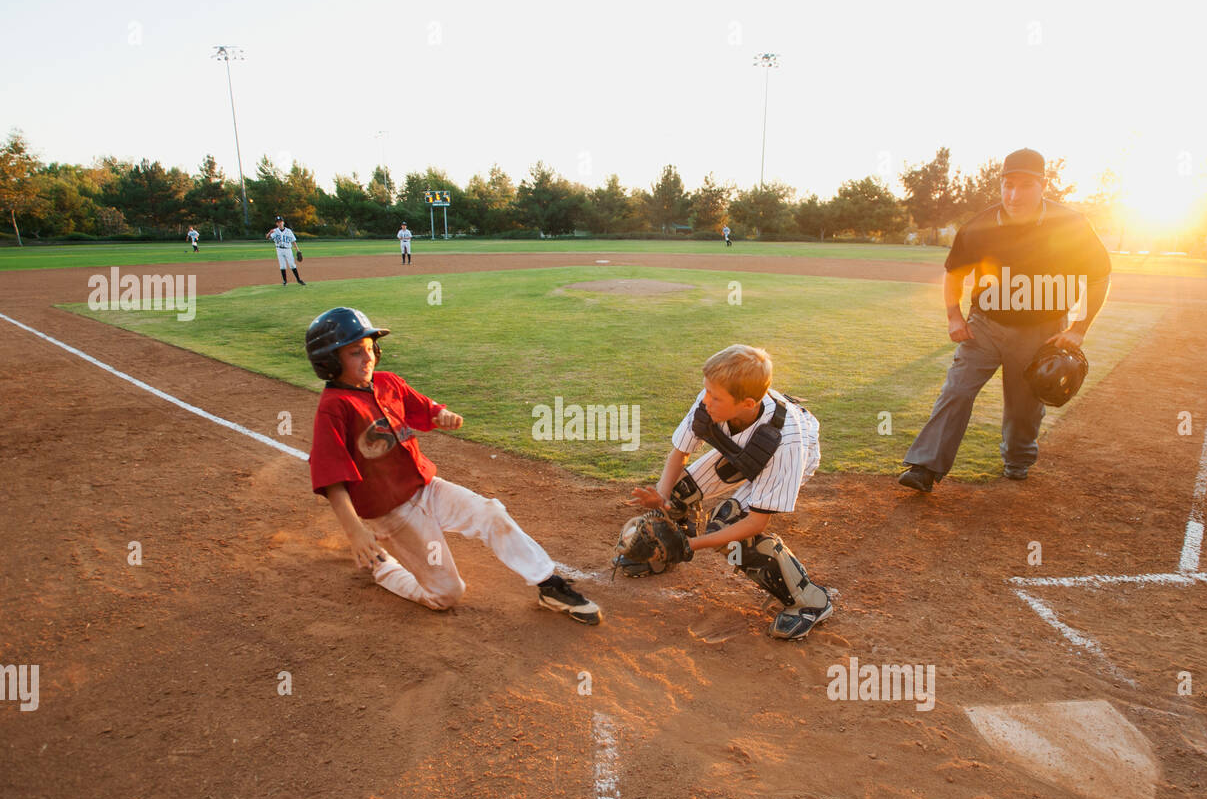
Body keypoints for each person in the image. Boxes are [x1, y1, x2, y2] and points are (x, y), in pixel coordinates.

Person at [306, 307, 601, 625]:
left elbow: (424, 407)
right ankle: (383, 567)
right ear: (330, 362)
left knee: (491, 512)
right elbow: (332, 477)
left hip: (427, 489)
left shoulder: (388, 383)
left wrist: (440, 415)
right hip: (391, 514)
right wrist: (356, 533)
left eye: (370, 349)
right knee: (447, 595)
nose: (368, 358)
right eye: (355, 352)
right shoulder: (334, 408)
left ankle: (549, 586)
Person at [898, 148, 1111, 492]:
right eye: (1008, 185)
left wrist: (1079, 328)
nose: (1014, 195)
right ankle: (925, 467)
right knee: (957, 390)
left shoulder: (1070, 224)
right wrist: (954, 316)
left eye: (1025, 185)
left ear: (1043, 184)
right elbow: (954, 273)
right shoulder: (980, 225)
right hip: (985, 325)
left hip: (1042, 331)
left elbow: (1100, 276)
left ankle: (1018, 460)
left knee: (1024, 407)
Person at [617, 344, 833, 641]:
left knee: (731, 527)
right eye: (706, 391)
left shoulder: (788, 443)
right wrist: (662, 501)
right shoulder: (715, 396)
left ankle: (809, 601)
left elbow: (757, 523)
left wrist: (693, 544)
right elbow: (679, 454)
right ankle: (665, 553)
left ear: (745, 403)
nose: (705, 400)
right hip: (747, 447)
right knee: (682, 492)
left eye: (714, 397)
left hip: (792, 451)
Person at [266, 216, 305, 286]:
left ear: (283, 222)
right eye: (278, 222)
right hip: (279, 249)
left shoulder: (289, 231)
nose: (280, 223)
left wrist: (298, 250)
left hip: (288, 250)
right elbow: (267, 237)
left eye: (281, 221)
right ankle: (284, 281)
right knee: (282, 266)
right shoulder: (275, 231)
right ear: (276, 224)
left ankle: (298, 280)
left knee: (292, 265)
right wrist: (269, 232)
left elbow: (293, 241)